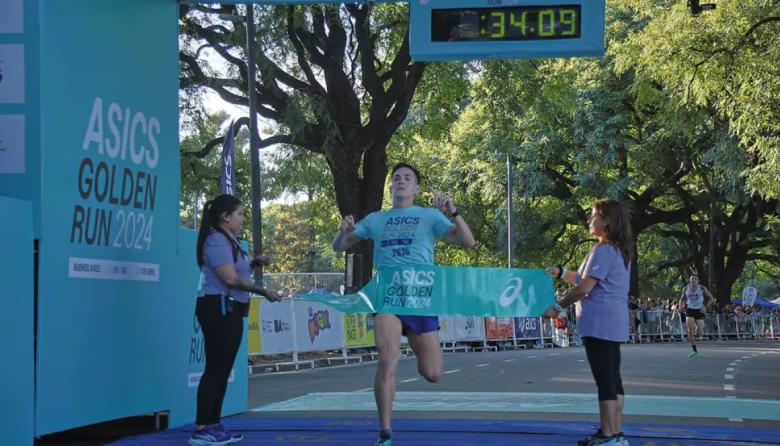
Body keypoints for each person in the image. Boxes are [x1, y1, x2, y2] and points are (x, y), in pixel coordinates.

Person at [332, 163, 475, 446]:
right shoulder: (375, 219)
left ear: (416, 188)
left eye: (407, 178)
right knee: (387, 361)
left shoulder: (430, 215)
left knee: (433, 373)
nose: (401, 181)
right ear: (391, 186)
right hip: (388, 296)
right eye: (396, 178)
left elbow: (467, 242)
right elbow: (340, 246)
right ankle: (385, 431)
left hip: (420, 299)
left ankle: (415, 343)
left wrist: (453, 213)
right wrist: (342, 230)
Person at [190, 194, 281, 446]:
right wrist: (263, 291)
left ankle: (213, 423)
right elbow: (229, 278)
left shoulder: (231, 240)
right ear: (225, 216)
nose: (242, 219)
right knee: (216, 367)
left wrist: (253, 262)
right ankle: (202, 427)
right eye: (239, 214)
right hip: (218, 306)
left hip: (231, 307)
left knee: (224, 367)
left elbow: (237, 271)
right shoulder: (217, 239)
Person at [543, 198, 633, 446]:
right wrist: (561, 272)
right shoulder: (617, 250)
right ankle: (616, 432)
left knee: (605, 380)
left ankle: (608, 435)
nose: (588, 220)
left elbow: (583, 288)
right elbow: (584, 278)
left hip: (599, 322)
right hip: (612, 322)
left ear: (607, 221)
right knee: (613, 379)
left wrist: (557, 307)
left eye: (593, 215)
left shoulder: (603, 250)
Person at [678, 275, 714, 358]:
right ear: (690, 281)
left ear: (698, 281)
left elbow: (711, 298)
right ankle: (694, 350)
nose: (693, 281)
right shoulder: (686, 289)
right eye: (692, 279)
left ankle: (693, 337)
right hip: (690, 310)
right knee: (690, 331)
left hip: (699, 310)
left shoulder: (702, 288)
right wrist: (681, 306)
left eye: (695, 279)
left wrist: (705, 307)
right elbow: (681, 299)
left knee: (699, 333)